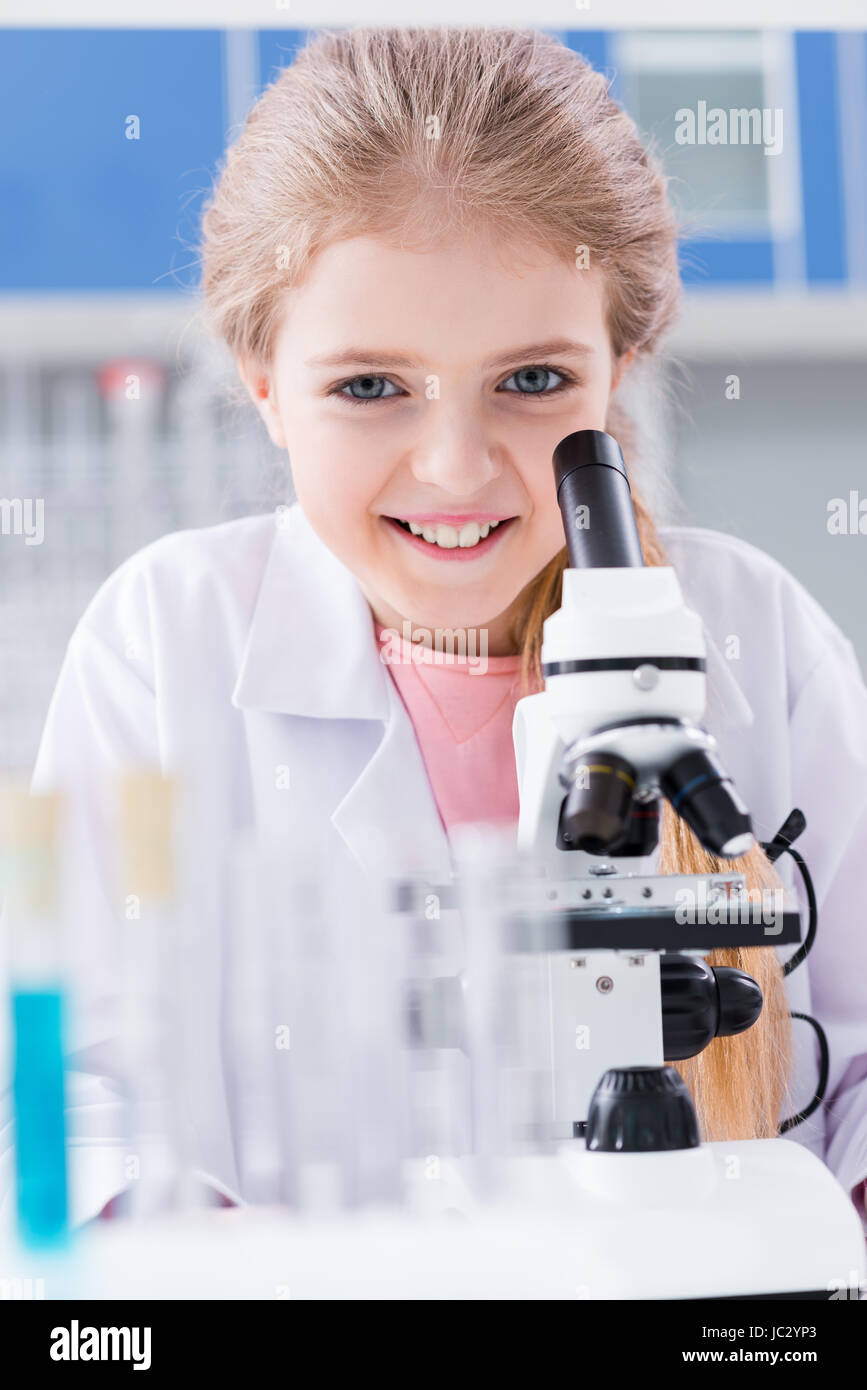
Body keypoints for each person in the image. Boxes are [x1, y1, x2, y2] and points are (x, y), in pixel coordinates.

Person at [6, 26, 867, 1235]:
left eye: (532, 382)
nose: (457, 468)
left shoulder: (753, 636)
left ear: (618, 366)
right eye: (370, 386)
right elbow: (81, 1090)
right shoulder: (168, 640)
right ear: (266, 383)